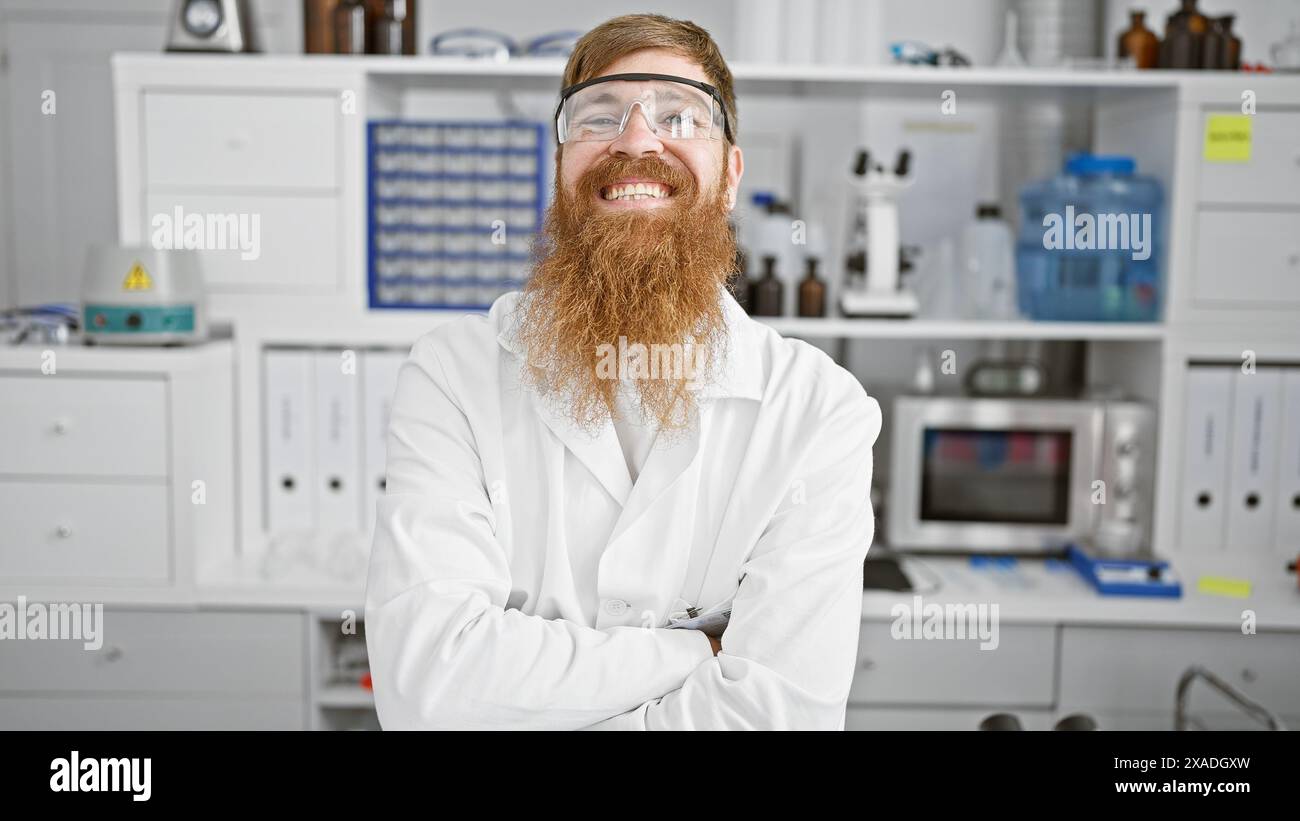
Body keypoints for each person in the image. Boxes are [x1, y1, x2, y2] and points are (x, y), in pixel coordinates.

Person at [365, 13, 882, 730]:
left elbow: (777, 717)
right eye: (598, 116)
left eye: (679, 114)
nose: (637, 139)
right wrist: (696, 650)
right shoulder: (453, 373)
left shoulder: (819, 413)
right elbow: (426, 688)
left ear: (730, 175)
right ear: (560, 171)